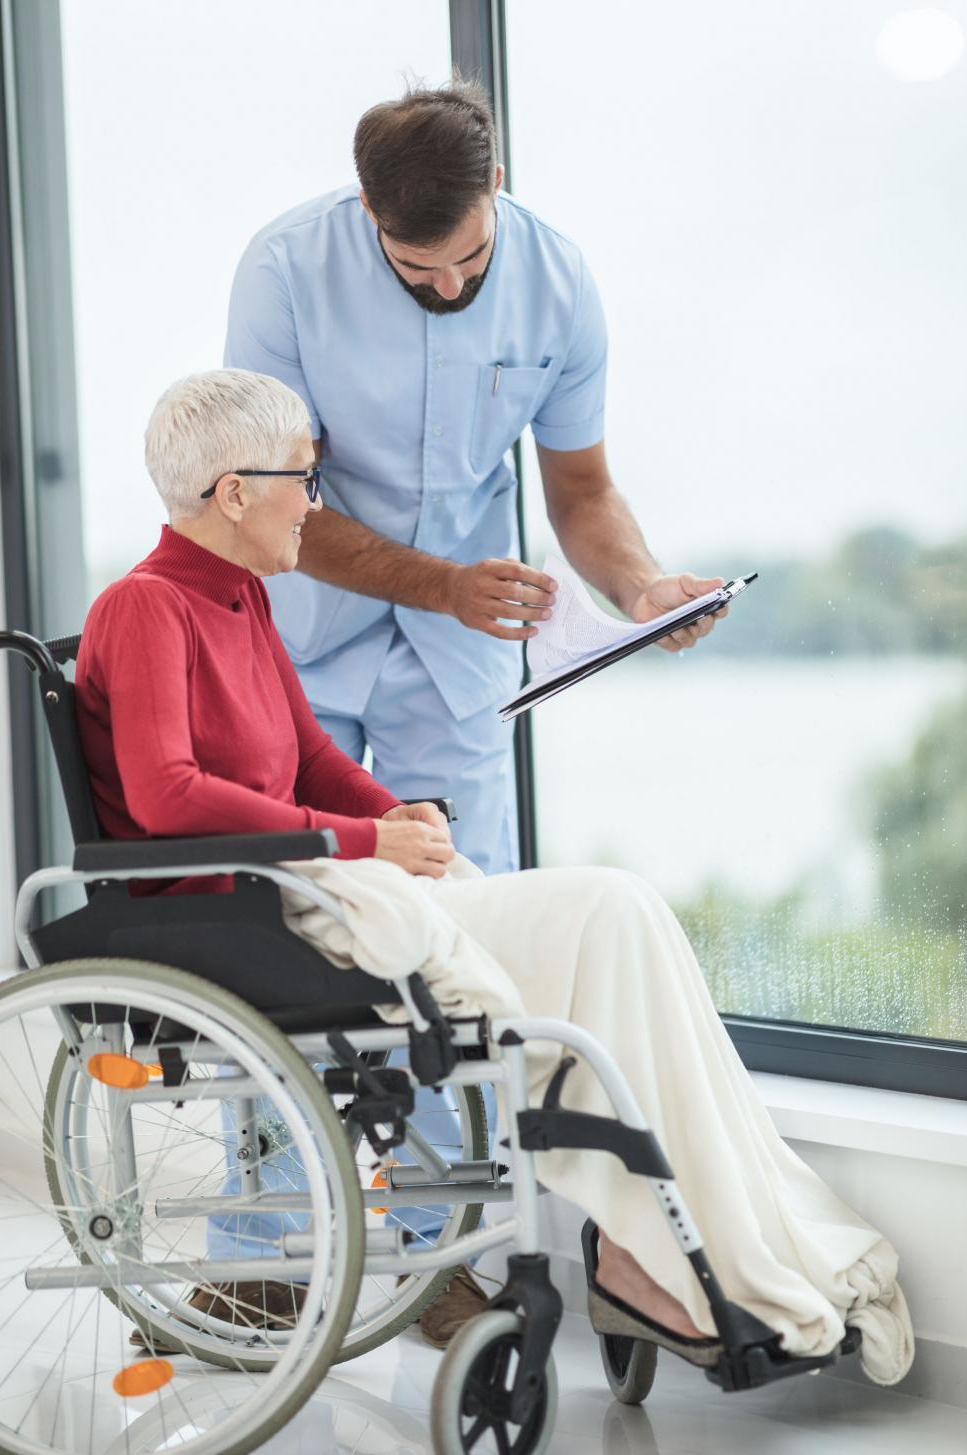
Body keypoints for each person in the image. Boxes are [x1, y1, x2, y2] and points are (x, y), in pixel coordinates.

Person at [75, 371, 913, 1385]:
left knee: (620, 909)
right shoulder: (143, 605)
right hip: (249, 916)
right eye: (303, 479)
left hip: (311, 890)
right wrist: (357, 845)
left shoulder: (243, 598)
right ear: (232, 491)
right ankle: (658, 1256)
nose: (316, 501)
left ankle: (673, 1248)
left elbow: (305, 756)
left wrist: (390, 811)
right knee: (605, 907)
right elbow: (166, 798)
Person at [224, 76, 725, 878]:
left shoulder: (560, 284)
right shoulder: (283, 272)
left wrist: (639, 591)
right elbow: (281, 508)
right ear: (368, 208)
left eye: (472, 256)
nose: (450, 286)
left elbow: (584, 490)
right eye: (418, 267)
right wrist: (448, 586)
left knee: (475, 912)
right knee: (306, 905)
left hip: (460, 660)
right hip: (300, 641)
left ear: (495, 184)